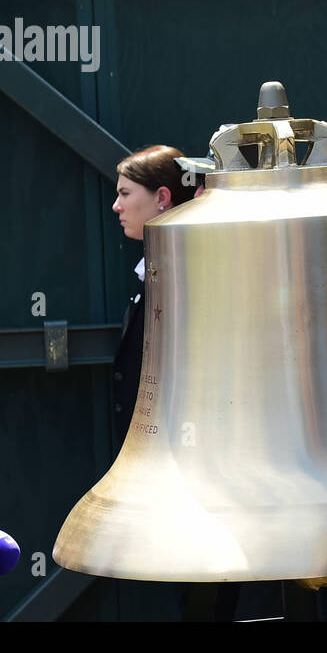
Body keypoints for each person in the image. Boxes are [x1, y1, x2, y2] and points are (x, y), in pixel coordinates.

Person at [110, 144, 197, 448]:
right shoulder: (152, 272)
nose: (116, 206)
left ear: (161, 197)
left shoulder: (186, 274)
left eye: (125, 193)